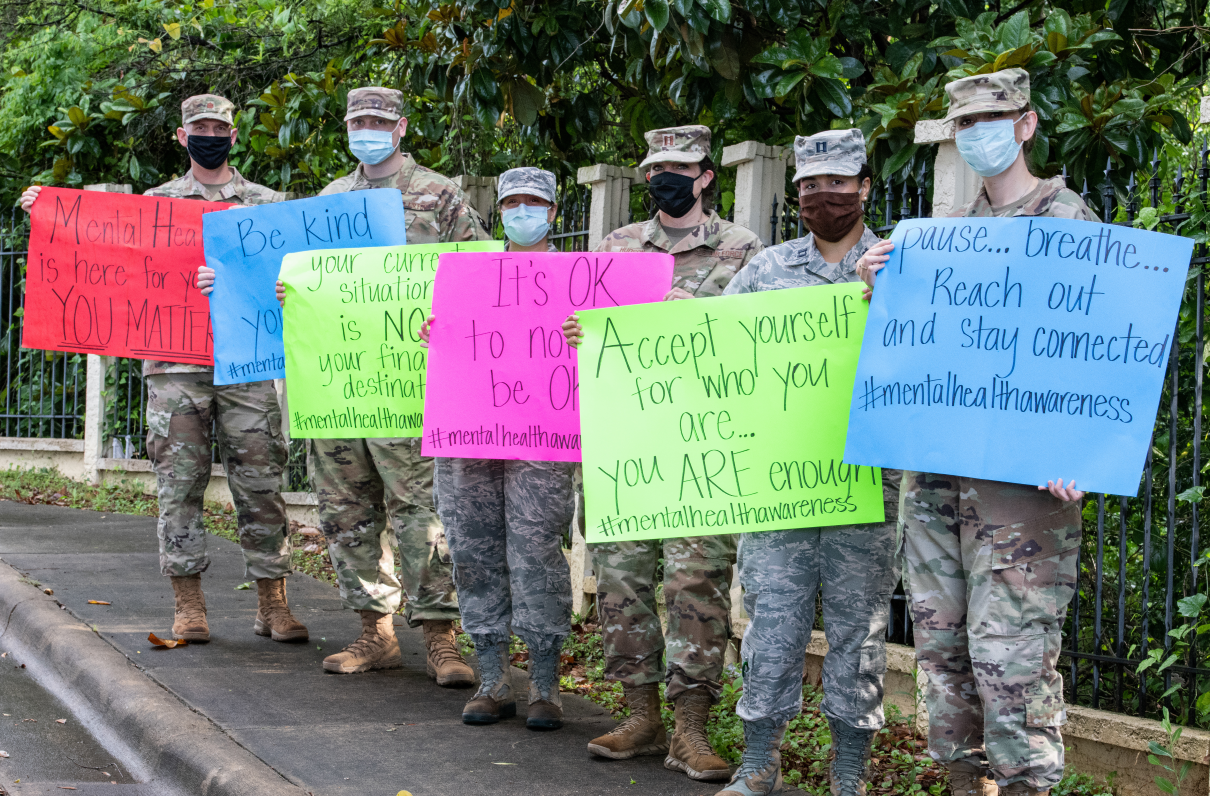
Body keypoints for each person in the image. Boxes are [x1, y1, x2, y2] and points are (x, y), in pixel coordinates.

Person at [859, 68, 1095, 796]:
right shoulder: (942, 238)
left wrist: (1083, 449)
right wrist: (877, 288)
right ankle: (965, 782)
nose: (978, 134)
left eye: (992, 119)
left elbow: (1099, 347)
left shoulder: (1067, 219)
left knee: (1012, 653)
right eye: (965, 124)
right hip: (937, 477)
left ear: (1026, 124)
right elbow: (912, 353)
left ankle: (1025, 785)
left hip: (1024, 488)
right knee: (940, 645)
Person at [21, 94, 304, 646]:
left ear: (234, 136)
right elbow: (100, 248)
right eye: (200, 127)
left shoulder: (268, 205)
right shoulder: (155, 205)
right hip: (175, 369)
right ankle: (188, 602)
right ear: (181, 136)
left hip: (247, 363)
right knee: (179, 485)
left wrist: (280, 288)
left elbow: (297, 276)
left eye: (218, 128)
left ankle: (273, 602)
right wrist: (46, 209)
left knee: (262, 482)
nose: (209, 136)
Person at [259, 87, 491, 683]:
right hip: (337, 382)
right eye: (357, 120)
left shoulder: (440, 195)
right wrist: (290, 289)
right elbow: (301, 276)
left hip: (410, 383)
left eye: (378, 121)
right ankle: (375, 631)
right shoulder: (330, 200)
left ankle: (440, 637)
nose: (367, 129)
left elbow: (481, 274)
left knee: (421, 511)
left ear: (401, 127)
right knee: (346, 510)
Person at [563, 125, 763, 782]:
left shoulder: (744, 249)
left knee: (695, 581)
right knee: (620, 577)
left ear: (705, 175)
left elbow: (761, 339)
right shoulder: (616, 247)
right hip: (625, 437)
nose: (663, 178)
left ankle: (690, 729)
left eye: (678, 167)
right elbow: (578, 328)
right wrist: (578, 331)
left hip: (702, 440)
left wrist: (697, 315)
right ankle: (641, 716)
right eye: (654, 169)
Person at [710, 129, 901, 796]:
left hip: (866, 483)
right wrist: (605, 336)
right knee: (772, 619)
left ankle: (849, 770)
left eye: (838, 183)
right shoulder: (766, 269)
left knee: (859, 628)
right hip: (780, 479)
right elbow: (706, 344)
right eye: (810, 186)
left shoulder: (899, 266)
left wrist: (884, 301)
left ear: (864, 187)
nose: (824, 196)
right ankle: (760, 759)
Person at [417, 167, 576, 730]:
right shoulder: (466, 272)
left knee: (536, 552)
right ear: (499, 210)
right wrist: (433, 332)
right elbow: (437, 327)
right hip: (470, 430)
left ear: (552, 212)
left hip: (544, 435)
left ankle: (546, 685)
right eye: (512, 203)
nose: (522, 212)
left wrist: (587, 334)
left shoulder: (580, 277)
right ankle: (493, 678)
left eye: (534, 202)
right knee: (472, 548)